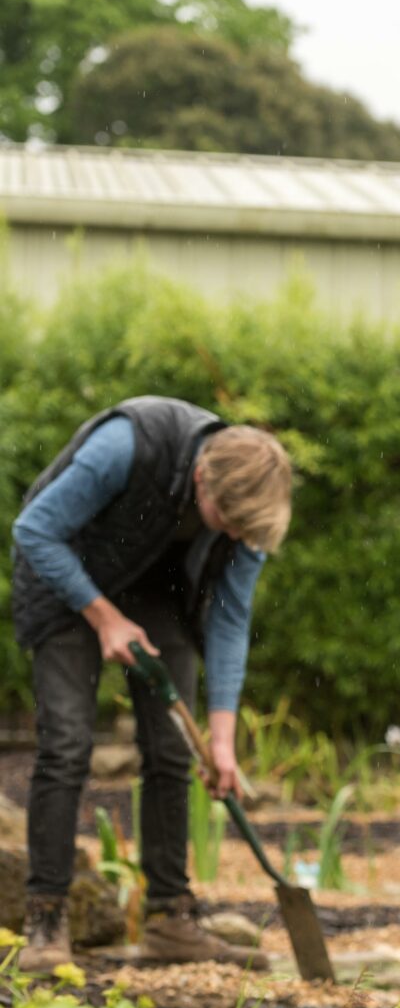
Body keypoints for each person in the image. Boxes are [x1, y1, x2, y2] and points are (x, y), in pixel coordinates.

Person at [11, 395, 293, 973]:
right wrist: (103, 615)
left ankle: (169, 920)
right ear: (200, 481)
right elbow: (33, 529)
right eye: (229, 525)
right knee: (67, 745)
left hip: (155, 591)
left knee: (171, 753)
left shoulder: (249, 516)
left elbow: (231, 622)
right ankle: (45, 921)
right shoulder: (128, 444)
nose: (238, 537)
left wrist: (220, 741)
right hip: (64, 572)